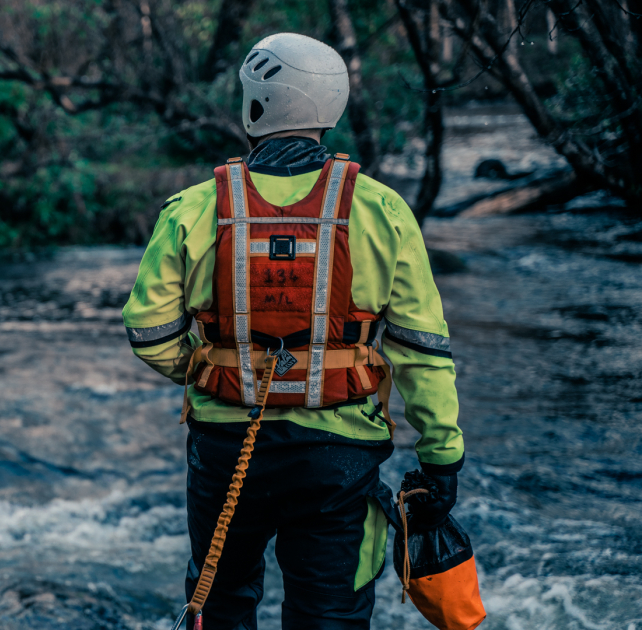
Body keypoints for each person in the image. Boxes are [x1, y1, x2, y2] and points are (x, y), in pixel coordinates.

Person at [122, 33, 464, 629]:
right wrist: (442, 455)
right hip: (340, 457)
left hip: (226, 448)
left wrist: (210, 370)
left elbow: (148, 332)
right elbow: (421, 349)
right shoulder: (381, 210)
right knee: (329, 615)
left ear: (255, 105)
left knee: (221, 608)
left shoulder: (192, 209)